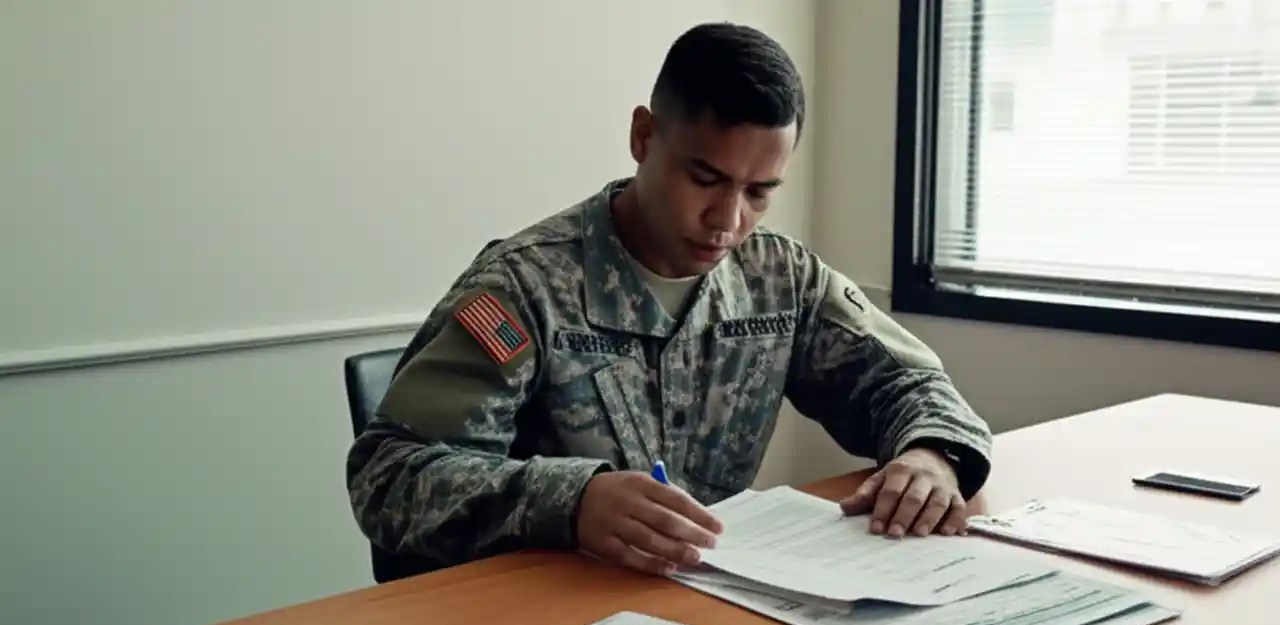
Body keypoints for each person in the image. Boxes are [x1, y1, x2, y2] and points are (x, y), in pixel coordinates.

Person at [346, 22, 992, 581]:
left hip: (711, 603)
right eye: (705, 178)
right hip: (534, 622)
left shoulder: (779, 279)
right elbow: (390, 476)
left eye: (760, 192)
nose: (728, 219)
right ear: (643, 136)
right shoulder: (525, 287)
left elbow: (908, 382)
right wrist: (572, 501)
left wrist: (930, 455)